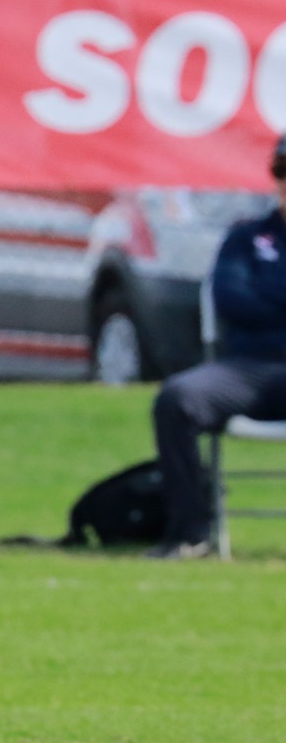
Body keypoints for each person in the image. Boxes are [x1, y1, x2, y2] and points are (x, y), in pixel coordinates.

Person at [150, 141, 286, 560]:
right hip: (249, 368)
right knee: (178, 399)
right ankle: (192, 532)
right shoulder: (248, 237)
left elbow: (254, 300)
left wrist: (268, 297)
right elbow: (231, 299)